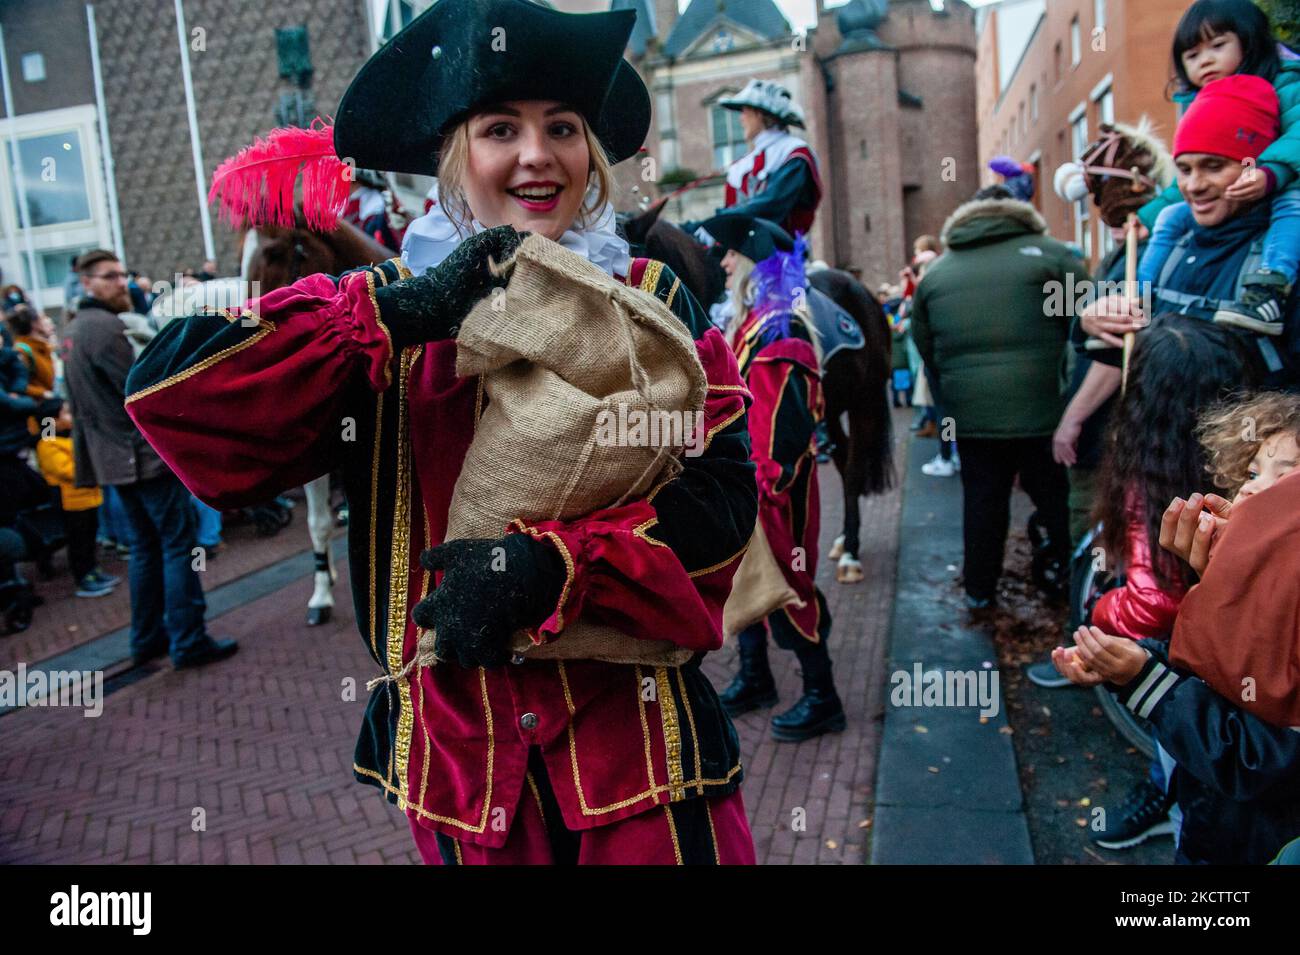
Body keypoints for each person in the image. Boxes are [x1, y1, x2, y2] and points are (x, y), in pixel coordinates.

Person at [126, 0, 758, 865]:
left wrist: (552, 571)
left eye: (563, 127)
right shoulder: (382, 309)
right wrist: (393, 314)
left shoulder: (651, 296)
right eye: (502, 128)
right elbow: (173, 402)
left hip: (641, 768)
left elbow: (722, 507)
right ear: (456, 159)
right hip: (469, 789)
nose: (538, 154)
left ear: (590, 156)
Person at [1053, 463, 1300, 864]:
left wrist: (1142, 679)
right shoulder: (1255, 592)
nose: (1254, 492)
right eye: (1253, 473)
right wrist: (1139, 660)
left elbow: (1254, 759)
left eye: (1285, 479)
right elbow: (1210, 670)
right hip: (1210, 825)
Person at [1079, 316, 1260, 851]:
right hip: (1254, 668)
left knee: (1197, 798)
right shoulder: (1263, 464)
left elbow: (1152, 602)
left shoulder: (1155, 481)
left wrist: (1099, 611)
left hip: (1196, 674)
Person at [701, 213, 846, 741]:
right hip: (753, 484)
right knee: (749, 581)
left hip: (775, 490)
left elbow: (778, 431)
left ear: (754, 266)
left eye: (732, 255)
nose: (722, 262)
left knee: (787, 583)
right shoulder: (759, 322)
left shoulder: (780, 333)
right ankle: (757, 677)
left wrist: (761, 489)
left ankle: (822, 695)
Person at [910, 185, 1089, 609]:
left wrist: (954, 401)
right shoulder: (1053, 257)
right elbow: (1085, 331)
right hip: (1048, 415)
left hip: (973, 419)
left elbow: (928, 351)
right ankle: (1076, 590)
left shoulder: (937, 274)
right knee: (1059, 504)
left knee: (982, 505)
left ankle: (979, 591)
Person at [63, 249, 236, 669]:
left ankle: (147, 639)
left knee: (144, 549)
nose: (121, 283)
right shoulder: (106, 330)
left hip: (114, 464)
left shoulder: (75, 331)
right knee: (177, 546)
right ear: (87, 283)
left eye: (122, 274)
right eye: (109, 277)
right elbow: (143, 390)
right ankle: (189, 640)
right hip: (142, 459)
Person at [1081, 71, 1299, 402]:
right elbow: (1110, 342)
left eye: (1214, 166)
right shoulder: (1165, 240)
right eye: (1184, 169)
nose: (1194, 186)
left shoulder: (1284, 254)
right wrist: (1090, 319)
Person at [1136, 0, 1300, 336]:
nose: (1206, 60)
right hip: (1240, 192)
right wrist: (1147, 217)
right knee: (1171, 217)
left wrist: (1271, 173)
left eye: (1218, 46)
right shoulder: (1200, 104)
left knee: (1294, 202)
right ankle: (1139, 296)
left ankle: (1270, 288)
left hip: (1284, 185)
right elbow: (1189, 174)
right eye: (1192, 55)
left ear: (1250, 41)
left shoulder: (1286, 84)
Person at [685, 78, 822, 241]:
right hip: (739, 253)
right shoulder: (742, 166)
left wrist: (716, 223)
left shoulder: (795, 153)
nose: (741, 119)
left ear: (760, 113)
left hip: (779, 255)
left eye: (745, 111)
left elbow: (770, 205)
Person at [36, 403, 119, 598]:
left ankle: (93, 571)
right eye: (64, 412)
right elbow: (66, 470)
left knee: (89, 539)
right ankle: (84, 578)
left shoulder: (69, 439)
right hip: (72, 502)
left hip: (88, 498)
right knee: (79, 541)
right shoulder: (48, 443)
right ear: (52, 420)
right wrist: (91, 466)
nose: (70, 416)